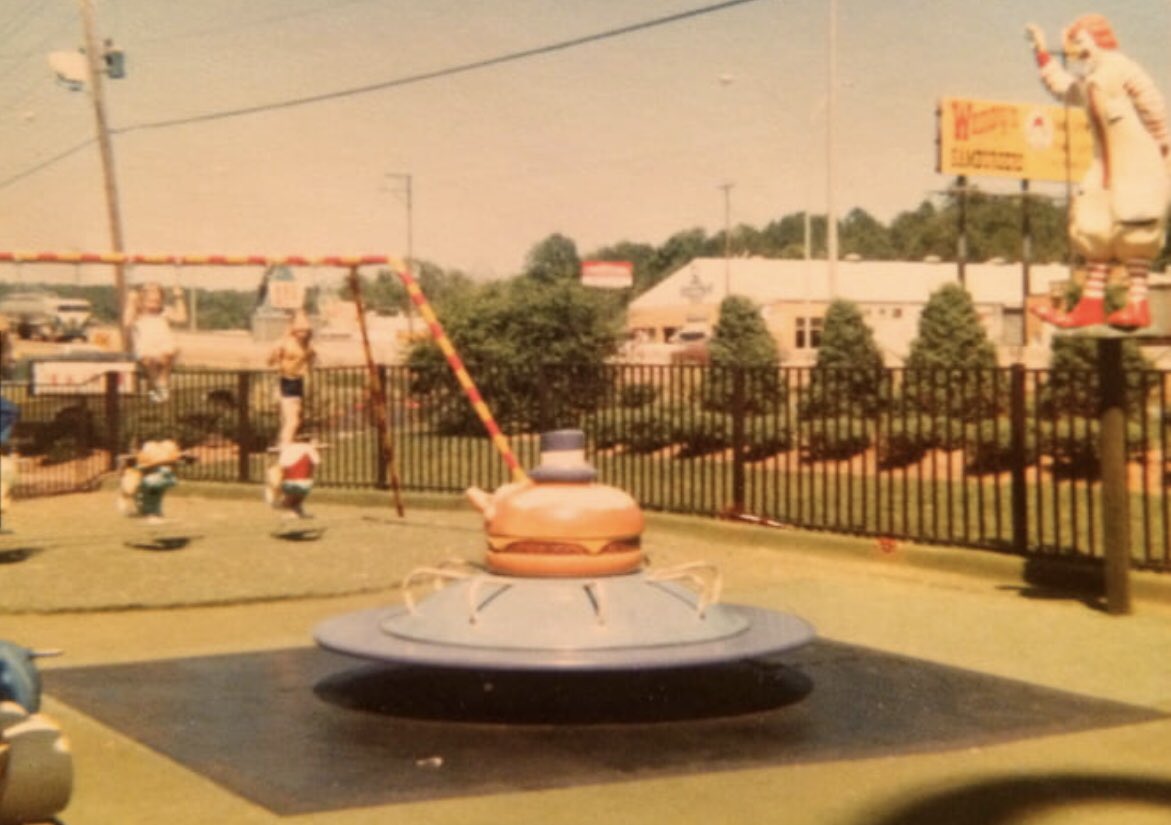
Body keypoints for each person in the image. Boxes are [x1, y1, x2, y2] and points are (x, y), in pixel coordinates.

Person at [1026, 13, 1170, 330]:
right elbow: (1064, 88)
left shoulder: (1122, 68)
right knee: (1095, 226)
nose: (1078, 50)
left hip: (1137, 161)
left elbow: (1152, 103)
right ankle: (1090, 305)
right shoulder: (1091, 79)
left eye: (1080, 41)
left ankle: (1138, 304)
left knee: (1135, 226)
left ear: (1097, 37)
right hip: (1105, 165)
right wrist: (1041, 53)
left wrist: (1164, 149)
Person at [124, 282, 187, 401]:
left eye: (157, 301)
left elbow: (182, 318)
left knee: (166, 356)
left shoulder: (165, 312)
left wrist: (178, 297)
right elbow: (127, 322)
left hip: (164, 345)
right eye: (150, 301)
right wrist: (130, 302)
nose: (154, 304)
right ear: (142, 300)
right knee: (149, 360)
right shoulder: (137, 313)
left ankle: (161, 387)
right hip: (146, 347)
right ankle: (156, 389)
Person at [267, 310, 317, 446]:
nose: (303, 334)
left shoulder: (307, 346)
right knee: (292, 420)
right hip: (285, 382)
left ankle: (285, 444)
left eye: (305, 331)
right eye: (300, 331)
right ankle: (284, 446)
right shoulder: (284, 344)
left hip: (298, 383)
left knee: (293, 419)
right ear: (293, 330)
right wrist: (277, 357)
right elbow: (270, 361)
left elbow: (312, 360)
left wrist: (308, 366)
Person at [118, 439, 184, 523]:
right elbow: (176, 459)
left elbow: (169, 460)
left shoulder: (150, 448)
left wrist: (147, 465)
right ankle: (154, 513)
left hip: (157, 478)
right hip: (165, 477)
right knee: (151, 494)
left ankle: (152, 514)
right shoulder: (166, 448)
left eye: (134, 447)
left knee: (148, 493)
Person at [264, 431, 321, 519]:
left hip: (288, 481)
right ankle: (290, 508)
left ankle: (295, 510)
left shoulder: (288, 449)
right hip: (303, 482)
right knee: (298, 494)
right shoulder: (309, 449)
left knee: (293, 495)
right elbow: (316, 462)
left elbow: (282, 465)